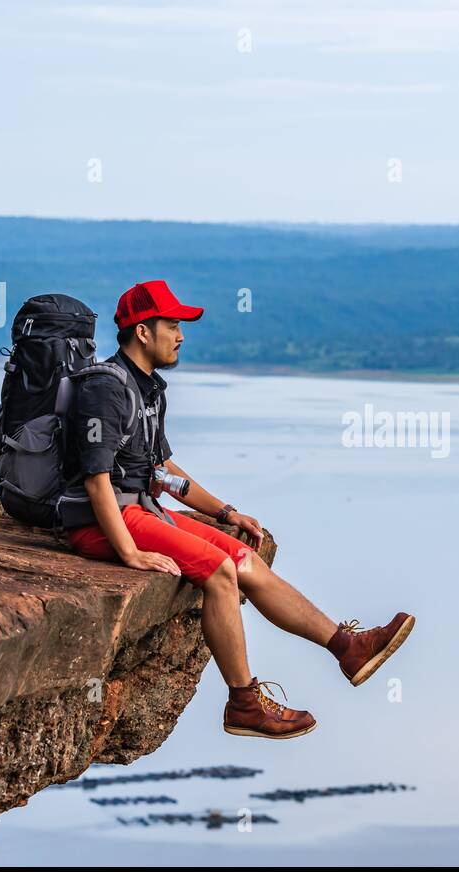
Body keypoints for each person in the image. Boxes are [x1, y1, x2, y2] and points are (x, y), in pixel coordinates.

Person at [60, 279, 414, 739]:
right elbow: (96, 479)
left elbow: (163, 470)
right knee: (220, 571)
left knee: (244, 558)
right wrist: (129, 552)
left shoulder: (148, 389)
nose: (181, 336)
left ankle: (349, 648)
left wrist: (226, 513)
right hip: (103, 521)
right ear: (143, 332)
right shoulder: (106, 388)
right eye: (173, 325)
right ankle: (244, 703)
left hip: (142, 510)